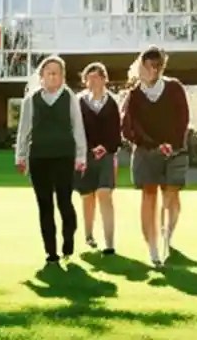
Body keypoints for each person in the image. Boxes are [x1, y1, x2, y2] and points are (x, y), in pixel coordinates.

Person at [121, 45, 190, 268]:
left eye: (158, 65)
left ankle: (167, 236)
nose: (154, 70)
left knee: (171, 196)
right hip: (146, 152)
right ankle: (152, 248)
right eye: (150, 65)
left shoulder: (174, 88)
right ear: (142, 66)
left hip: (175, 150)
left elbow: (182, 118)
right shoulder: (133, 95)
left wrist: (172, 143)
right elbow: (129, 128)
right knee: (149, 196)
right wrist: (153, 145)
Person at [14, 55, 88, 264]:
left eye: (57, 73)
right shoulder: (32, 100)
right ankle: (51, 251)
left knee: (64, 202)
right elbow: (24, 130)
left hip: (64, 156)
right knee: (44, 205)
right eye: (49, 73)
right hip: (39, 157)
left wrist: (81, 156)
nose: (53, 76)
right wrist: (20, 157)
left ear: (62, 76)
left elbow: (78, 127)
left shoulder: (69, 97)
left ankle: (68, 239)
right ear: (42, 76)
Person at [76, 62, 121, 255]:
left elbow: (116, 131)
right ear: (85, 81)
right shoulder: (78, 102)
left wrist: (106, 147)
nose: (94, 81)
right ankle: (88, 235)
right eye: (90, 77)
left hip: (106, 156)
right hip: (85, 156)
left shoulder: (112, 102)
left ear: (104, 79)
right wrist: (88, 148)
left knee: (104, 194)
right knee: (87, 197)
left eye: (98, 77)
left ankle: (109, 243)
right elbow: (76, 130)